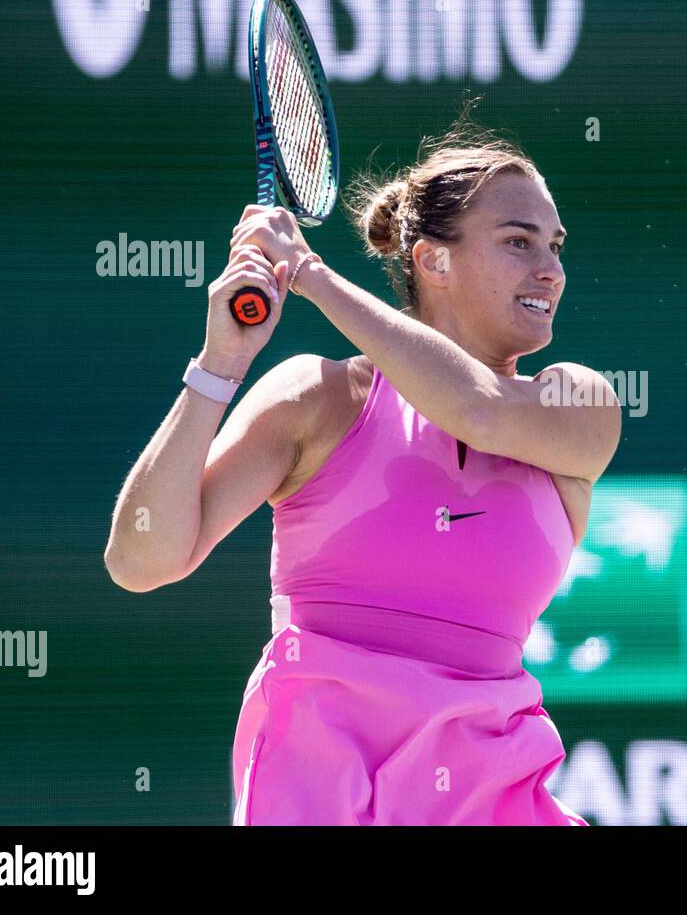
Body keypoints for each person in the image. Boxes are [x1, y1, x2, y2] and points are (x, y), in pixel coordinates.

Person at [104, 116, 620, 824]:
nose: (551, 270)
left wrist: (312, 276)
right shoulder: (315, 398)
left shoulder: (579, 402)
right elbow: (141, 559)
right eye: (518, 242)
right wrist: (220, 361)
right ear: (433, 262)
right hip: (320, 792)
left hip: (494, 795)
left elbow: (477, 409)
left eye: (555, 247)